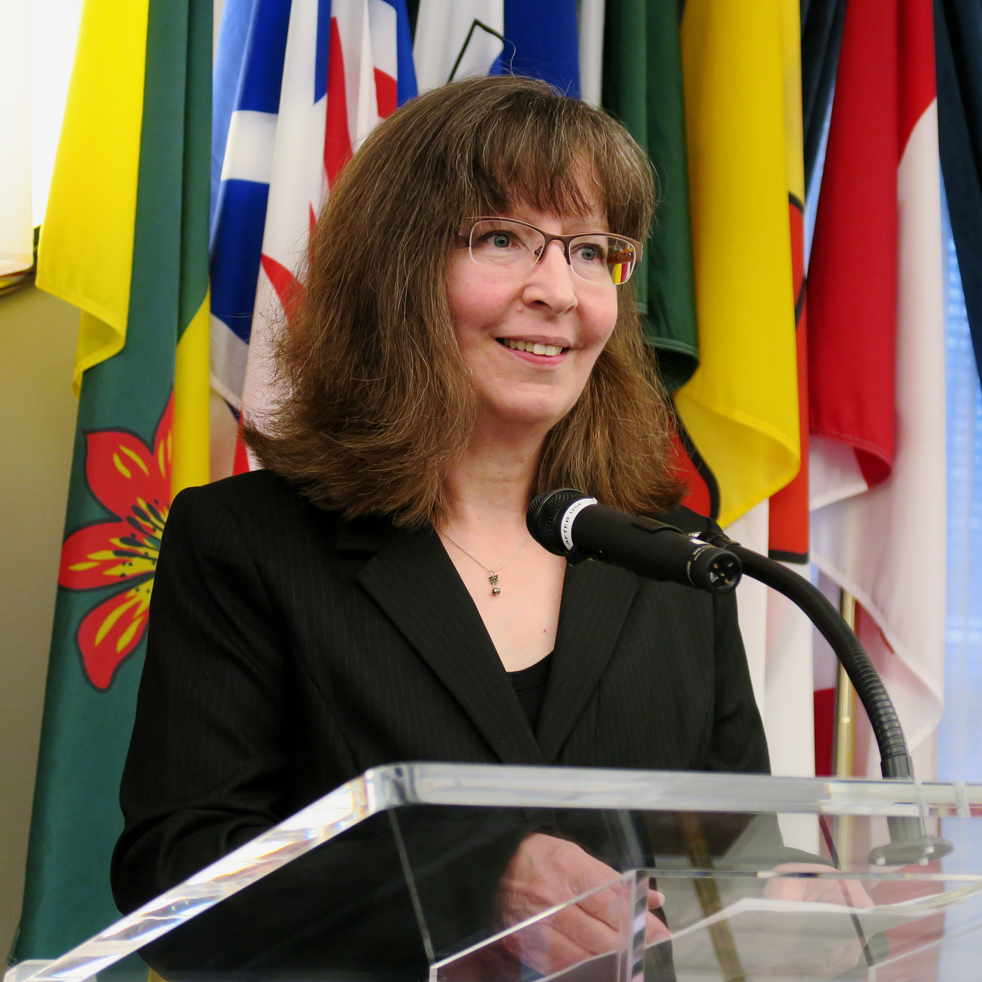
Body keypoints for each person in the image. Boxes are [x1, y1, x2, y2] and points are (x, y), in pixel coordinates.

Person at [111, 75, 782, 979]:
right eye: (503, 239)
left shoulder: (676, 557)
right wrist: (470, 887)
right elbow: (176, 877)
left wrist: (823, 907)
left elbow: (737, 866)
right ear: (396, 273)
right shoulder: (249, 541)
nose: (559, 291)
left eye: (592, 251)